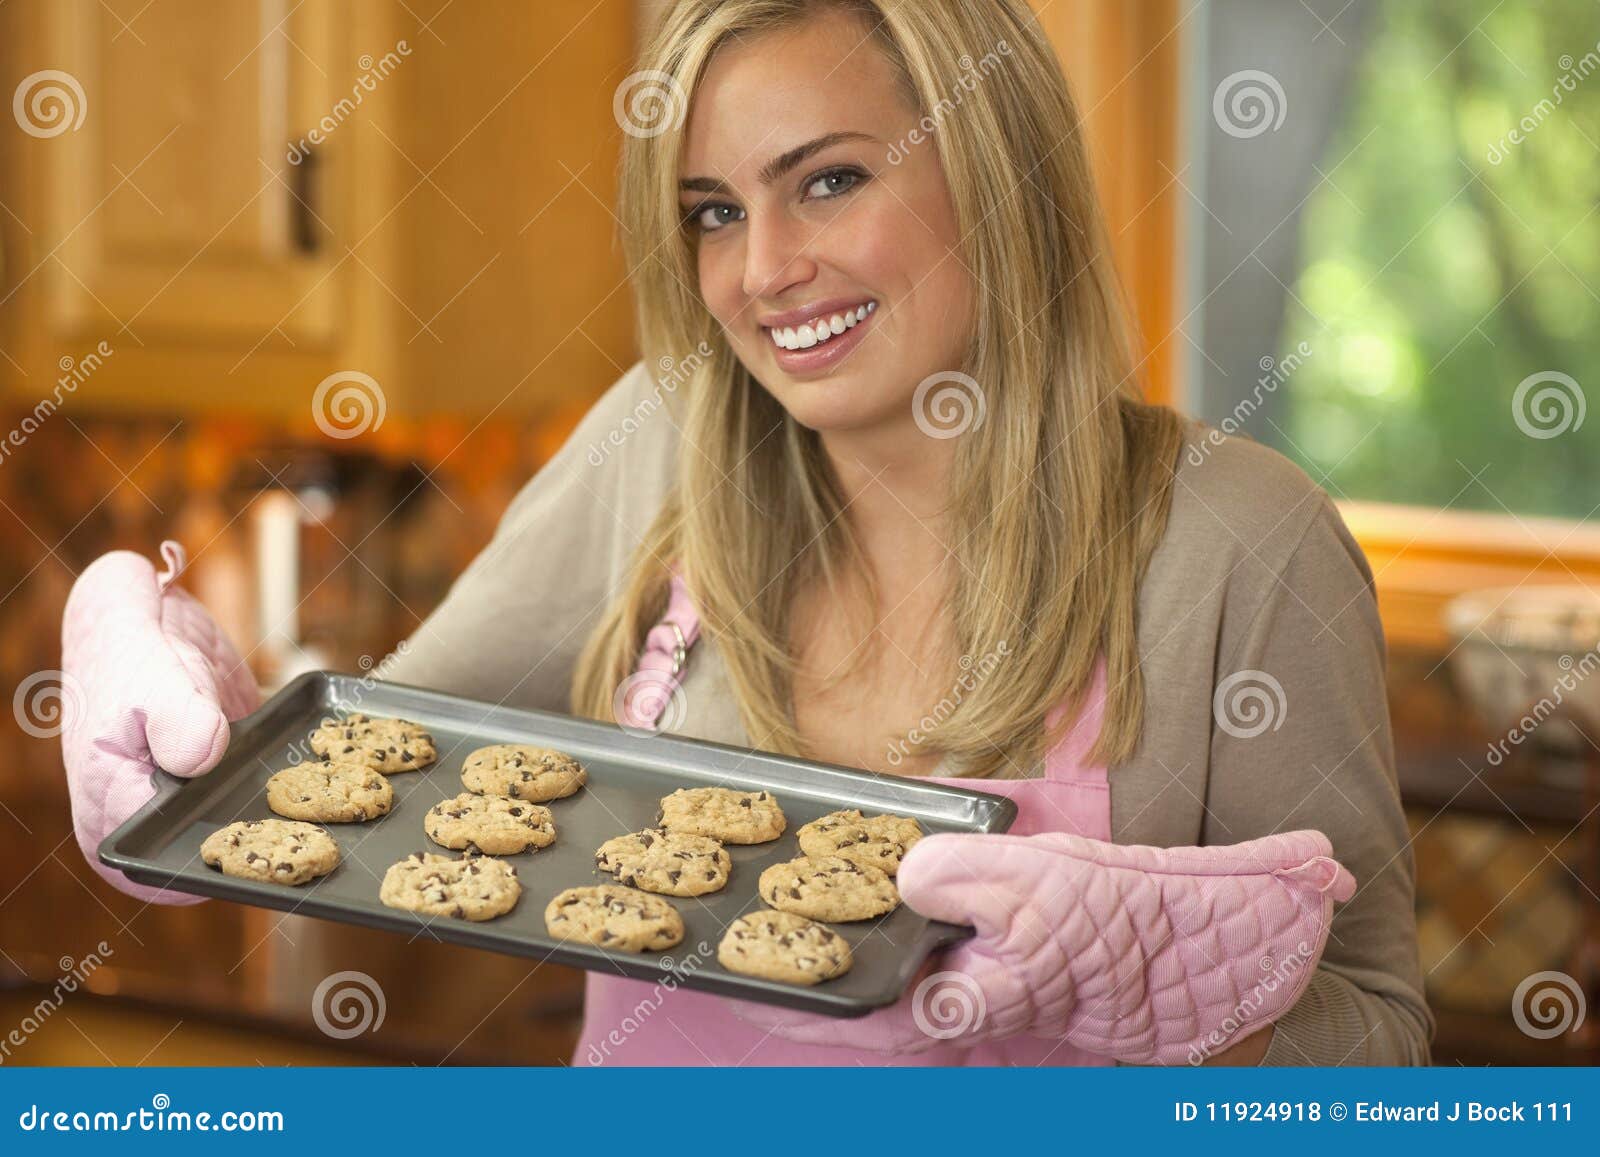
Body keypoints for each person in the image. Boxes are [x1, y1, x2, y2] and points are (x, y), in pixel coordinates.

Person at [60, 0, 1433, 1066]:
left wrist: (1163, 992)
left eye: (828, 181)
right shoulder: (658, 442)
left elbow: (1379, 1060)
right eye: (714, 212)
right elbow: (359, 786)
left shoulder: (1237, 543)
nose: (763, 271)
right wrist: (164, 689)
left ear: (995, 169)